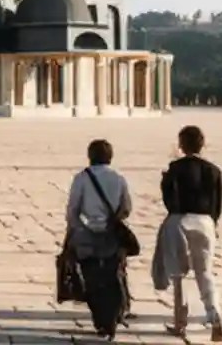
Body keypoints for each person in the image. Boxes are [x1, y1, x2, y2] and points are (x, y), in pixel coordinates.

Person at [158, 125, 222, 341]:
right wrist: (213, 224)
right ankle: (214, 314)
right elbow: (217, 205)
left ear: (181, 145)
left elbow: (169, 201)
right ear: (203, 145)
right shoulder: (214, 170)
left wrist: (164, 181)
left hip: (179, 220)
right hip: (205, 222)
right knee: (204, 273)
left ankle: (180, 323)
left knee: (178, 276)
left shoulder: (174, 168)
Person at [66, 139, 131, 340]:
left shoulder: (81, 178)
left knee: (91, 277)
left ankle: (100, 321)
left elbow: (73, 210)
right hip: (111, 235)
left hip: (86, 235)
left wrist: (77, 230)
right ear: (110, 157)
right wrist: (113, 221)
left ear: (90, 156)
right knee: (112, 275)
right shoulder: (119, 179)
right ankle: (112, 318)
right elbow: (126, 208)